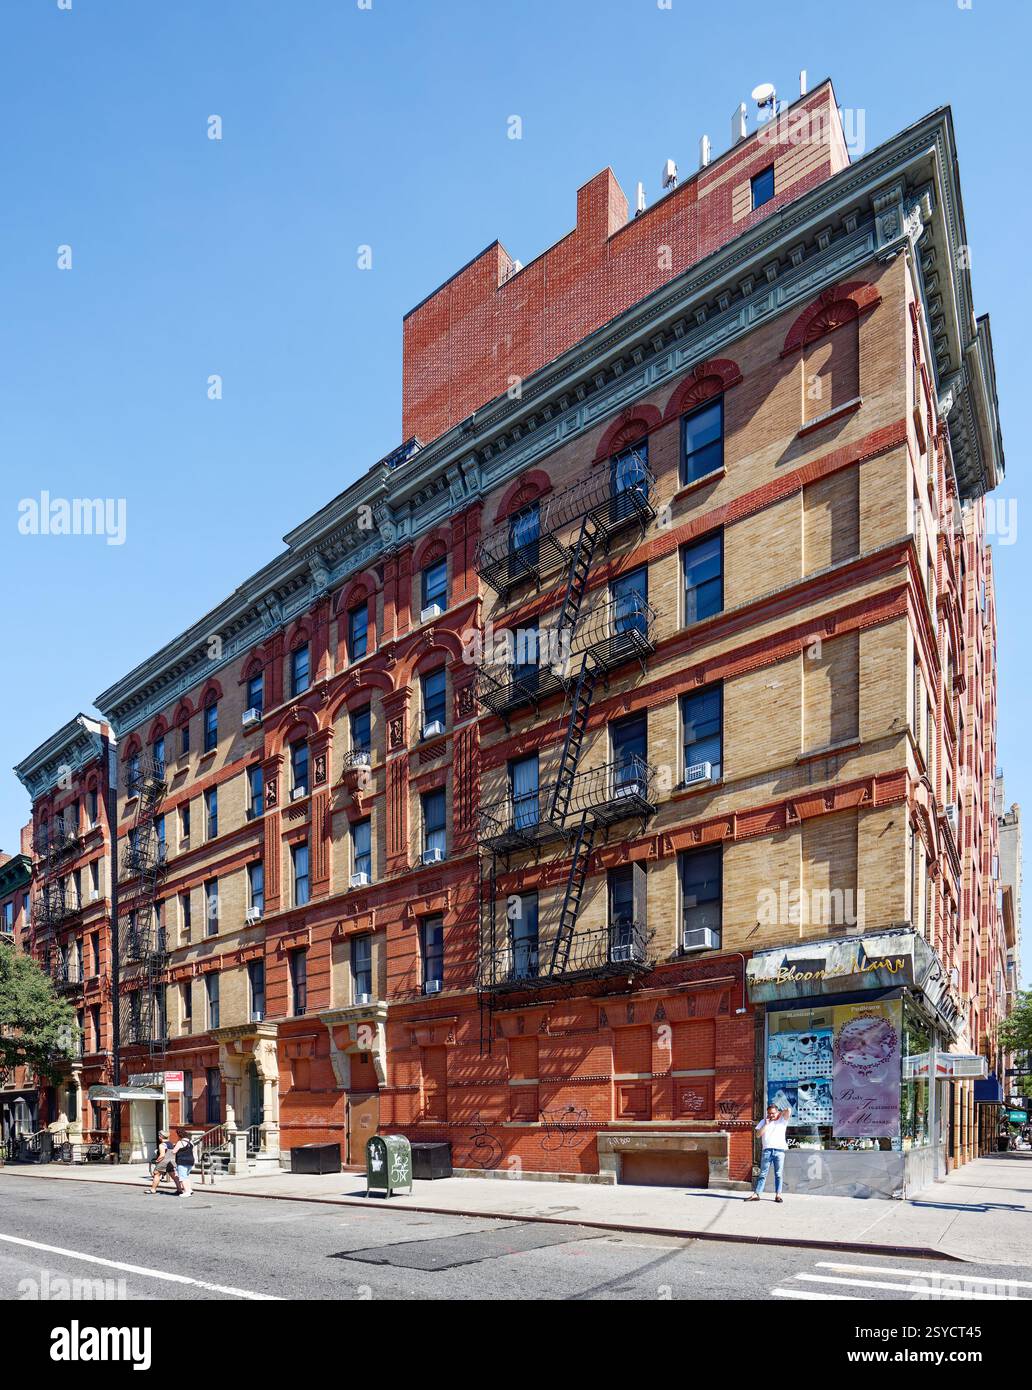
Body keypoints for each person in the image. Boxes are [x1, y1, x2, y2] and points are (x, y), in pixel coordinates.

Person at [747, 1103, 791, 1203]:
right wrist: (766, 1124)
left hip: (779, 1151)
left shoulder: (782, 1120)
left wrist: (779, 1114)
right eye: (769, 1113)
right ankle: (757, 1194)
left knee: (778, 1174)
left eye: (773, 1113)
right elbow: (758, 1135)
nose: (771, 1115)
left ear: (777, 1112)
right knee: (763, 1173)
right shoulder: (764, 1121)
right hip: (767, 1151)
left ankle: (778, 1195)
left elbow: (788, 1110)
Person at [146, 1131, 183, 1196]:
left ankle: (153, 1189)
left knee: (156, 1174)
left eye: (159, 1136)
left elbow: (162, 1155)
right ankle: (179, 1190)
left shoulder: (162, 1145)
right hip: (171, 1162)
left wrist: (157, 1161)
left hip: (164, 1162)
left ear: (160, 1137)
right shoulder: (171, 1144)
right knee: (174, 1177)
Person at [172, 1130, 195, 1197]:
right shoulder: (191, 1142)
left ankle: (186, 1192)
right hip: (191, 1161)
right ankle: (189, 1189)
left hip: (182, 1161)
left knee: (182, 1177)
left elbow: (174, 1152)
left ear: (179, 1136)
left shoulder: (180, 1142)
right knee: (186, 1176)